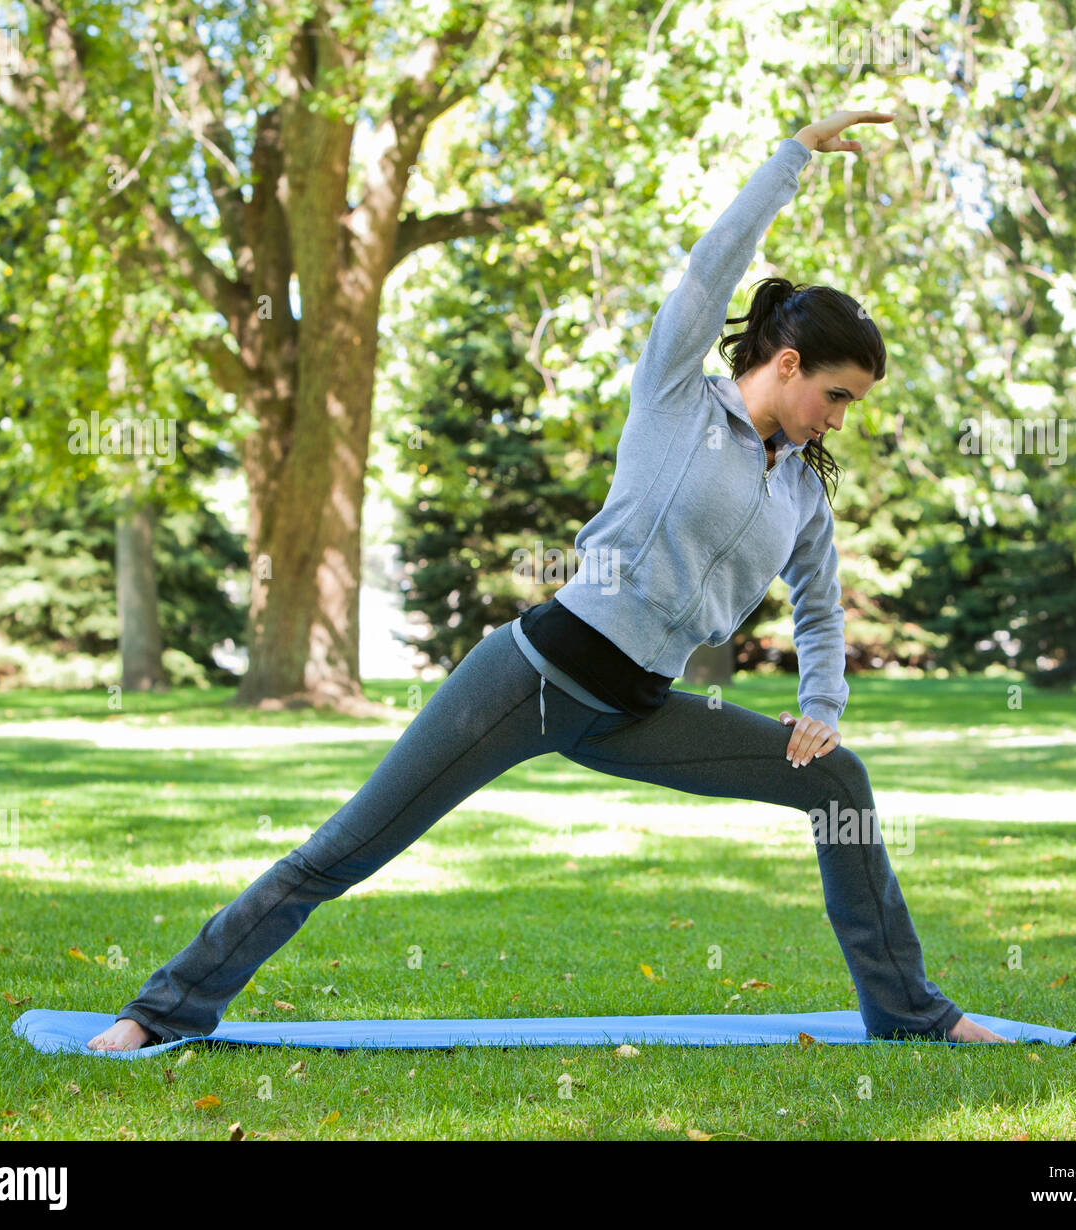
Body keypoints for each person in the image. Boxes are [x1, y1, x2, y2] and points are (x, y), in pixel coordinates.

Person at [89, 109, 1012, 1051]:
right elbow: (710, 269)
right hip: (532, 679)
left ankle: (910, 1015)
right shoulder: (674, 396)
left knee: (838, 784)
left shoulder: (801, 493)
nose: (841, 419)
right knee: (345, 851)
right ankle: (159, 1011)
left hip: (643, 710)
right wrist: (791, 162)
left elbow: (820, 607)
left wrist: (823, 702)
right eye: (838, 395)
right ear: (786, 363)